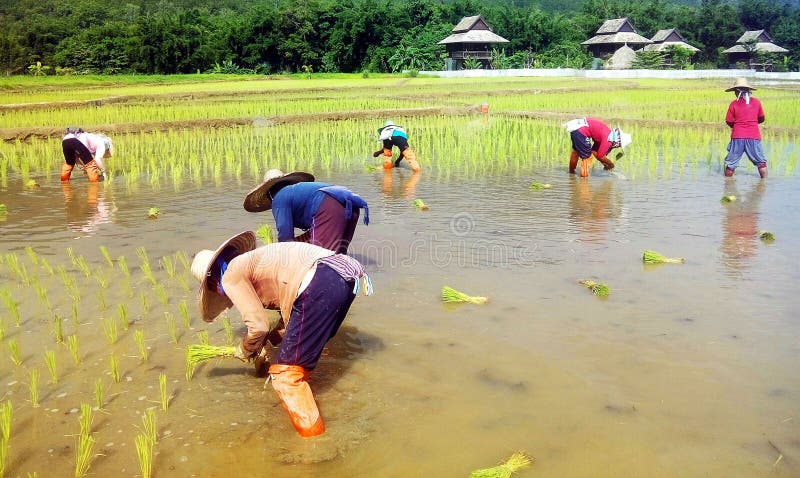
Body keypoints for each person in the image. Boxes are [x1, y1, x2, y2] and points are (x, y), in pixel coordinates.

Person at [191, 231, 373, 437]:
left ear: (213, 281)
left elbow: (258, 326)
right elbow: (292, 317)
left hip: (320, 281)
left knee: (286, 377)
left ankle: (314, 440)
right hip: (344, 277)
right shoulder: (255, 263)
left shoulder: (231, 275)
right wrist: (269, 342)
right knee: (302, 357)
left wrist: (245, 349)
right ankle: (319, 406)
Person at [243, 169, 369, 254]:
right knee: (339, 256)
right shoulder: (297, 191)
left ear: (269, 193)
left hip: (330, 205)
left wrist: (280, 256)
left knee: (321, 259)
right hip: (351, 204)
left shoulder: (279, 198)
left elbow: (285, 236)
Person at [722, 78, 768, 178]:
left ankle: (727, 184)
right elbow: (761, 118)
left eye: (735, 91)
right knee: (761, 163)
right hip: (753, 136)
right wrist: (752, 123)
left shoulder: (734, 104)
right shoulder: (756, 102)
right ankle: (764, 183)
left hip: (737, 136)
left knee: (731, 164)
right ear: (749, 90)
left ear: (737, 91)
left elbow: (729, 121)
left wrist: (737, 127)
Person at [564, 118, 631, 177]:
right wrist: (610, 164)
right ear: (618, 142)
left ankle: (571, 173)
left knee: (576, 151)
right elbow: (600, 156)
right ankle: (584, 181)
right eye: (619, 145)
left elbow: (594, 151)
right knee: (587, 157)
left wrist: (605, 164)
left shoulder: (608, 134)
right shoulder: (608, 140)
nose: (618, 147)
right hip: (581, 131)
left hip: (576, 127)